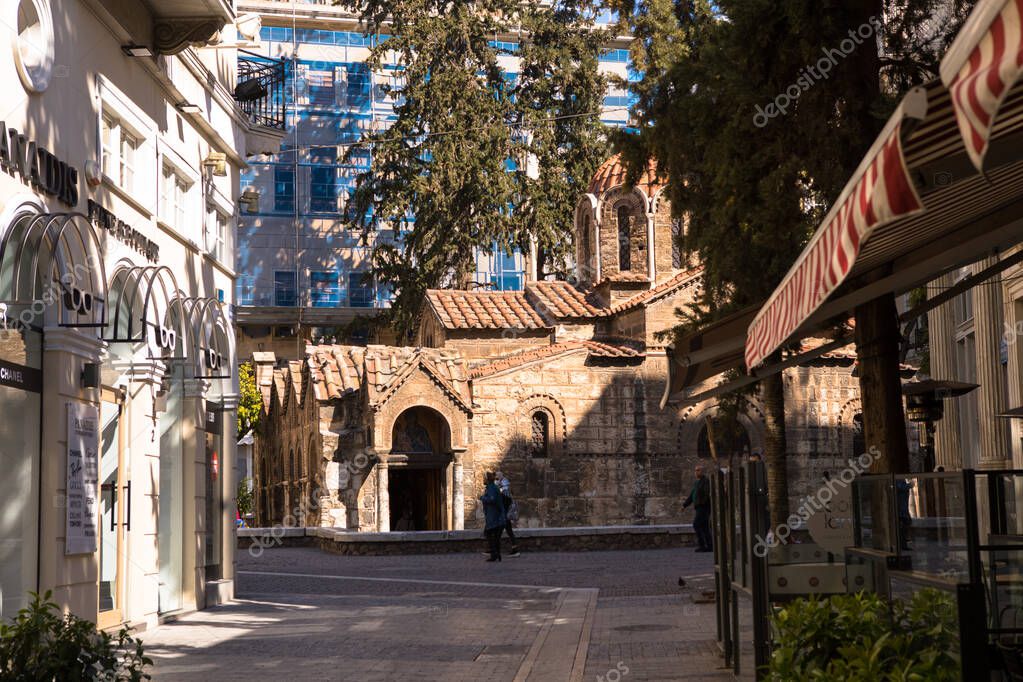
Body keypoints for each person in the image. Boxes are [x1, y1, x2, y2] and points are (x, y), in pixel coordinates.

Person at [682, 465, 713, 552]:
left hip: (703, 507)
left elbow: (706, 493)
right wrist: (684, 505)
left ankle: (702, 545)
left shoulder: (705, 481)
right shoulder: (696, 483)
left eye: (698, 470)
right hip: (699, 507)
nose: (696, 472)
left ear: (702, 471)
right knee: (705, 527)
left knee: (696, 525)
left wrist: (701, 503)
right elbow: (692, 495)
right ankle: (710, 546)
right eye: (695, 470)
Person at [480, 471, 507, 562]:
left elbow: (492, 499)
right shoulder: (492, 487)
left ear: (487, 479)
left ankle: (494, 554)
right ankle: (497, 554)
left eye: (484, 478)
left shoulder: (491, 488)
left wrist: (482, 498)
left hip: (494, 516)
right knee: (495, 536)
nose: (483, 479)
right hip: (496, 516)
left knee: (489, 534)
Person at [495, 470, 521, 557]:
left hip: (504, 514)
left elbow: (507, 501)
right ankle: (514, 549)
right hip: (504, 515)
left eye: (497, 478)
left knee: (499, 532)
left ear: (500, 478)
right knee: (508, 532)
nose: (496, 480)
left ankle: (493, 550)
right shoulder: (503, 487)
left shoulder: (504, 488)